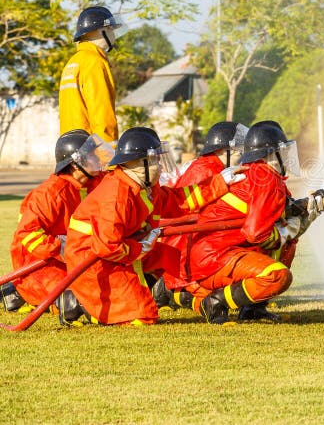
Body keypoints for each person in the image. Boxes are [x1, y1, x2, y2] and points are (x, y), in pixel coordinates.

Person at [63, 127, 245, 325]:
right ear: (139, 163)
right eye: (155, 160)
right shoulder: (117, 195)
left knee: (172, 257)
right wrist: (140, 248)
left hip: (124, 250)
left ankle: (196, 298)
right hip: (95, 259)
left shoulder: (143, 186)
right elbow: (106, 246)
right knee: (144, 315)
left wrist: (220, 182)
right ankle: (77, 302)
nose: (159, 165)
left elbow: (176, 201)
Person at [187, 120, 324, 324]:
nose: (288, 157)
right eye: (284, 151)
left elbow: (281, 210)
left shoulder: (260, 173)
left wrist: (305, 209)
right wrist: (300, 223)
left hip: (215, 253)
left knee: (287, 244)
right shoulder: (266, 177)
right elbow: (257, 234)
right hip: (216, 257)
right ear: (273, 153)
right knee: (278, 275)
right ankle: (216, 302)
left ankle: (253, 308)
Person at [1, 130, 111, 324]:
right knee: (79, 294)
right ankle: (18, 291)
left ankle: (16, 292)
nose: (96, 159)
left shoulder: (92, 183)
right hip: (41, 264)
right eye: (91, 155)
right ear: (75, 164)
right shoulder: (51, 193)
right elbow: (27, 235)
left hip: (76, 259)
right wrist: (65, 247)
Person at [152, 121, 249, 311]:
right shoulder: (205, 170)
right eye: (238, 152)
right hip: (185, 250)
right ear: (222, 150)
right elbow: (184, 212)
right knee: (209, 297)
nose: (241, 158)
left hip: (195, 245)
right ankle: (171, 290)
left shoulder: (213, 168)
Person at [59, 6, 125, 144]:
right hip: (92, 152)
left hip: (72, 148)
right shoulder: (94, 62)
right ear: (102, 31)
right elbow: (101, 113)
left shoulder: (74, 62)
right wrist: (110, 152)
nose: (113, 34)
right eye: (111, 29)